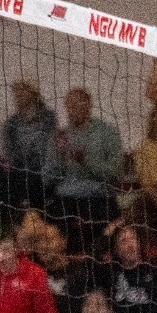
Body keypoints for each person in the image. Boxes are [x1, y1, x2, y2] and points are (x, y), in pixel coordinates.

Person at [46, 89, 122, 252]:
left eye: (79, 104)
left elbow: (114, 173)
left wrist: (86, 160)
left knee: (105, 230)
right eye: (70, 105)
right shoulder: (59, 136)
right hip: (66, 200)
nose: (75, 109)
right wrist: (59, 158)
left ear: (89, 104)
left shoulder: (108, 133)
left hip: (98, 198)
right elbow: (47, 179)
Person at [0, 81, 55, 209]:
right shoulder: (10, 123)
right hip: (18, 171)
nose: (18, 95)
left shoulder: (49, 118)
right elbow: (8, 150)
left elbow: (45, 148)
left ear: (34, 93)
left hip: (41, 171)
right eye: (15, 92)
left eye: (22, 90)